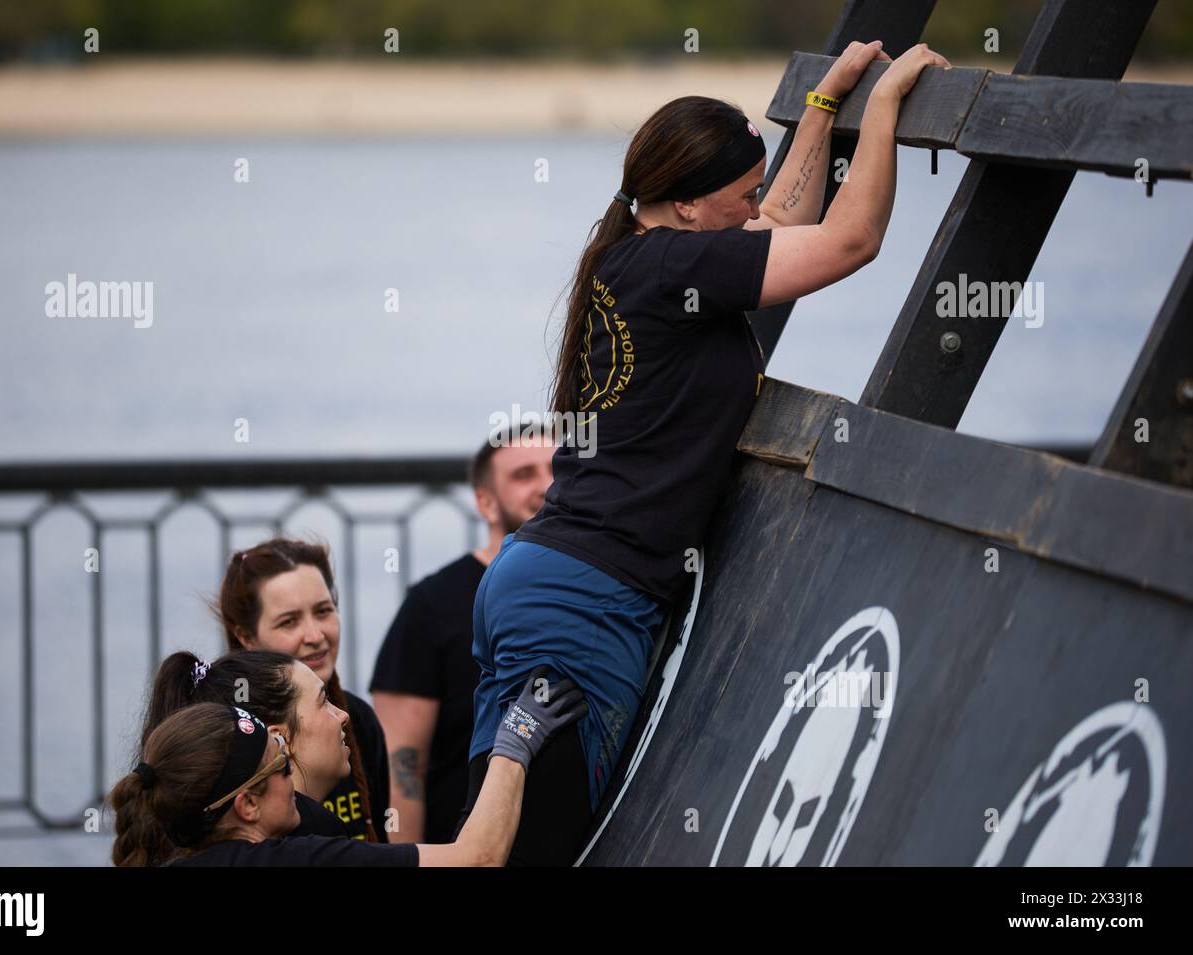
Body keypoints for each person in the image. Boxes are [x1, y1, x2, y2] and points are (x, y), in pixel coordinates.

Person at [462, 42, 952, 864]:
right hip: (585, 606)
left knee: (506, 841)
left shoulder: (637, 259)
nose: (754, 207)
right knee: (536, 854)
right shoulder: (670, 264)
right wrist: (891, 104)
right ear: (688, 207)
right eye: (740, 195)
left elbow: (783, 226)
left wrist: (828, 106)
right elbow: (847, 241)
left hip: (545, 582)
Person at [108, 667, 586, 866]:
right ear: (247, 804)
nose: (290, 777)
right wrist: (515, 742)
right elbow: (476, 859)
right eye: (280, 767)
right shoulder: (292, 859)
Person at [370, 428, 554, 843]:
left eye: (556, 469)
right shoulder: (431, 606)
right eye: (524, 474)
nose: (547, 485)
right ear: (485, 503)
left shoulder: (587, 589)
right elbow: (402, 768)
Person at [216, 537, 389, 842]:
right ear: (246, 637)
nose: (315, 635)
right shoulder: (224, 742)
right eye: (289, 622)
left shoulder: (356, 718)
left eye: (323, 611)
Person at [133, 650, 355, 858]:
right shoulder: (313, 834)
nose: (343, 714)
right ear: (278, 739)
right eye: (323, 701)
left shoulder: (209, 838)